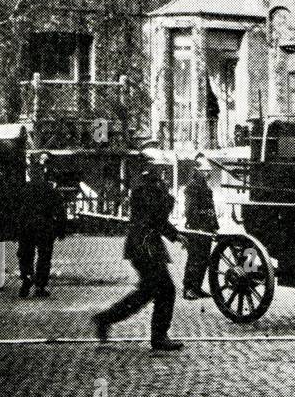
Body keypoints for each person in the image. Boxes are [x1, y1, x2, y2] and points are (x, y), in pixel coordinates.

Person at [93, 151, 184, 352]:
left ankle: (106, 319)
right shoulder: (145, 192)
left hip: (145, 246)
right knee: (166, 290)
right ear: (151, 169)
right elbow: (157, 216)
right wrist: (167, 197)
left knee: (147, 292)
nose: (163, 173)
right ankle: (159, 336)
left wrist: (175, 235)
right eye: (160, 169)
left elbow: (160, 221)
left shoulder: (149, 190)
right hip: (145, 247)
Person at [16, 154, 68, 298]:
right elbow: (60, 211)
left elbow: (15, 210)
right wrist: (61, 229)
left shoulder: (24, 191)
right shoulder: (51, 191)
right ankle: (40, 286)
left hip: (27, 227)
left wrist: (16, 229)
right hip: (45, 227)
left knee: (26, 255)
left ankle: (26, 278)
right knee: (44, 258)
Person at [181, 153, 219, 299]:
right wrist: (198, 226)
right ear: (198, 171)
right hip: (197, 228)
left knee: (204, 259)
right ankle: (188, 288)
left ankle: (197, 287)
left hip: (207, 228)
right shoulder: (192, 187)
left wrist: (214, 226)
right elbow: (190, 210)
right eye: (205, 170)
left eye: (208, 170)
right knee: (194, 258)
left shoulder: (207, 188)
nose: (208, 172)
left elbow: (211, 209)